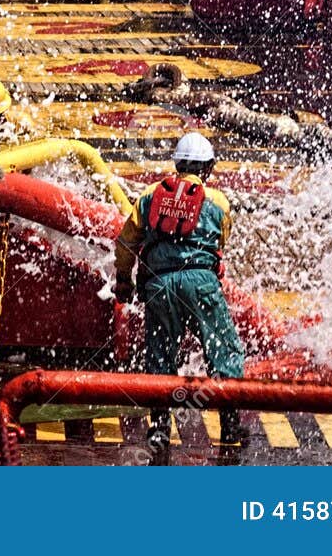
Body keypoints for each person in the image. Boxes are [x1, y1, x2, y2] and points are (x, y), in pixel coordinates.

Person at [115, 131, 245, 460]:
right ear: (209, 168)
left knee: (160, 356)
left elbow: (126, 242)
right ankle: (229, 427)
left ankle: (160, 428)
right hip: (201, 285)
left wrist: (124, 280)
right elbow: (219, 245)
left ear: (176, 164)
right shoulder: (218, 201)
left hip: (159, 286)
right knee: (224, 351)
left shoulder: (147, 196)